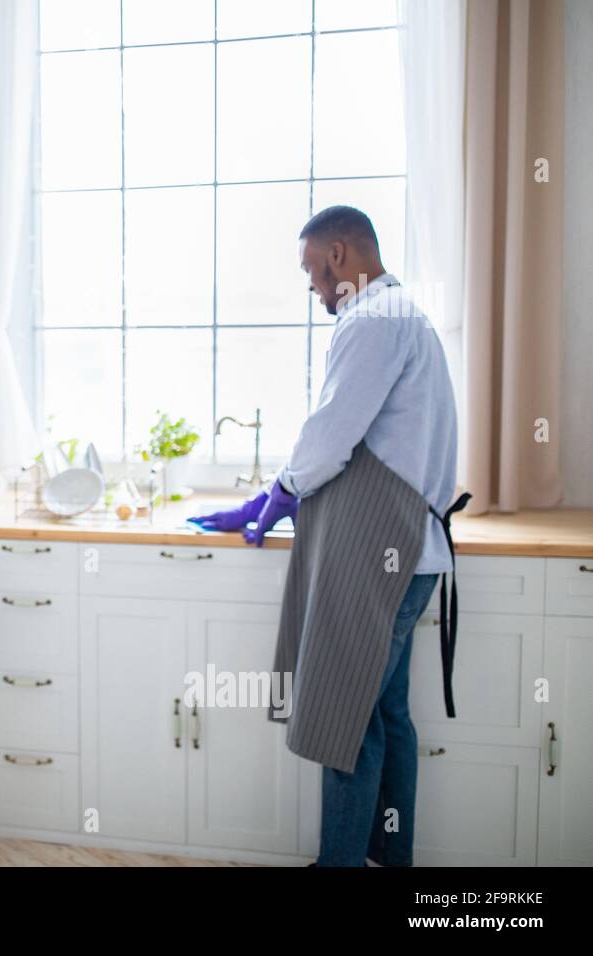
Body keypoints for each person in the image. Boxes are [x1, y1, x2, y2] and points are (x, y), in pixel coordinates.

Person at [194, 205, 460, 867]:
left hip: (380, 557)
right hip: (411, 556)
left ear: (340, 255)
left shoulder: (372, 318)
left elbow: (332, 433)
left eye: (312, 271)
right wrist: (276, 493)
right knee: (387, 718)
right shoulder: (406, 316)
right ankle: (387, 859)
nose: (313, 289)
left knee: (347, 720)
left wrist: (280, 492)